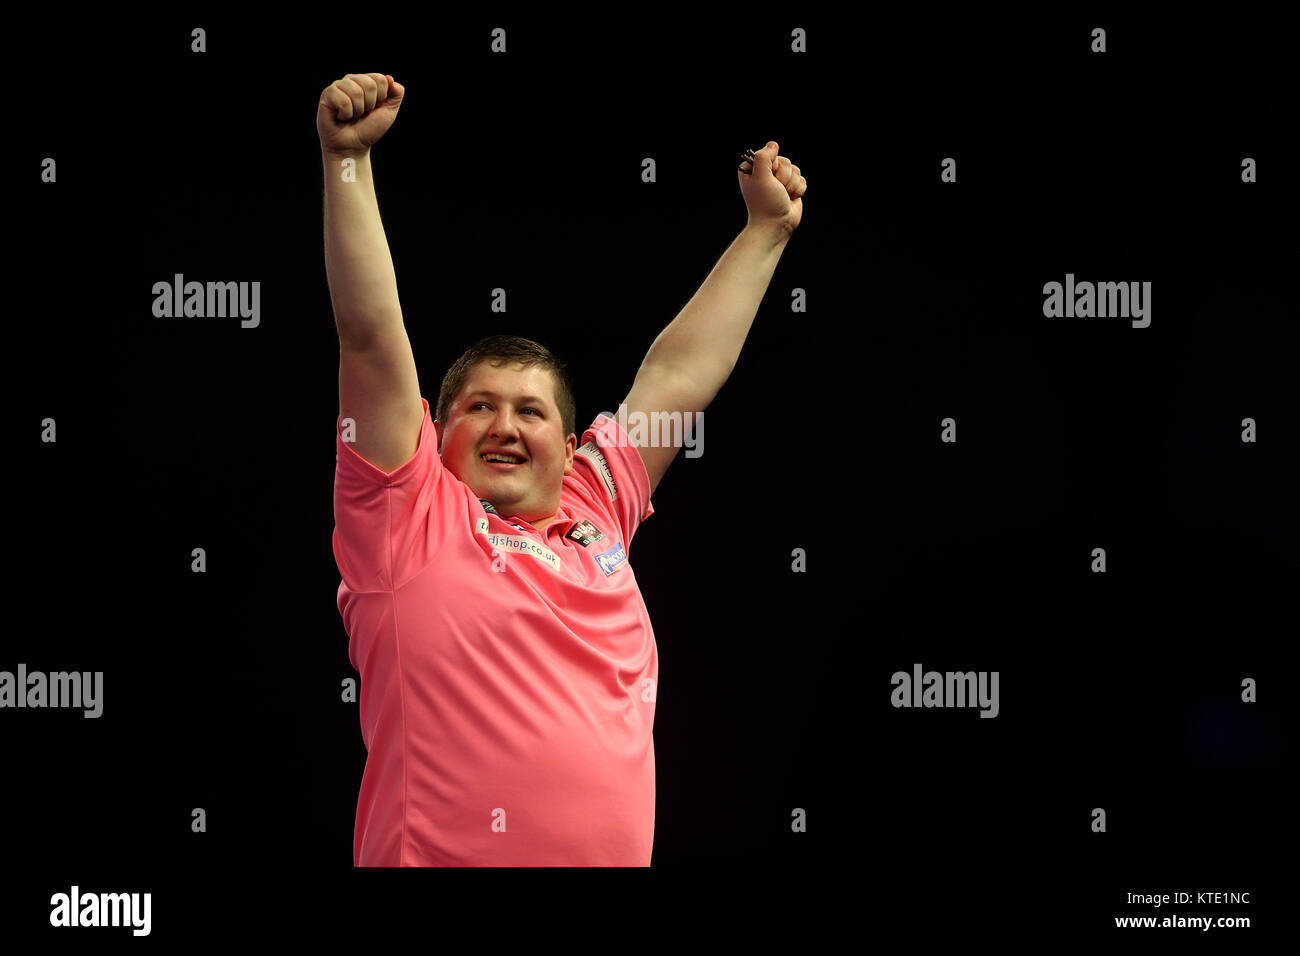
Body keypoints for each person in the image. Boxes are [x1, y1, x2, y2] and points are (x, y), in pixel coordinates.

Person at [318, 72, 806, 865]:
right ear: (432, 435)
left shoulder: (596, 503)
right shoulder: (406, 516)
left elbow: (680, 376)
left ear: (573, 444)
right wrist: (347, 160)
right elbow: (369, 336)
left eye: (530, 411)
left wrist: (765, 233)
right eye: (478, 407)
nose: (504, 426)